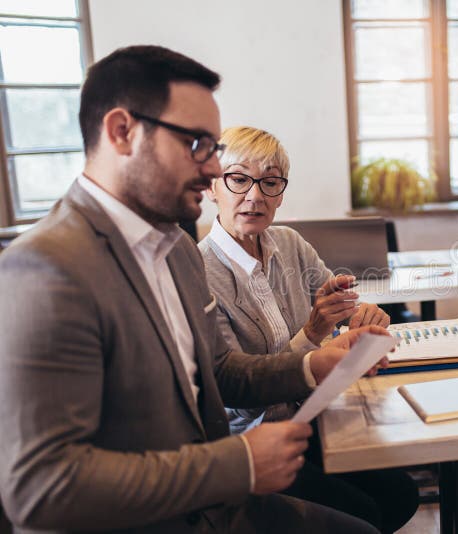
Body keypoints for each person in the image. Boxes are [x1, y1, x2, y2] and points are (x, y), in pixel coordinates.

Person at [0, 45, 386, 533]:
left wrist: (313, 364)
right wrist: (239, 464)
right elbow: (42, 489)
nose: (210, 170)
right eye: (197, 144)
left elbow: (220, 370)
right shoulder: (45, 268)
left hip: (211, 506)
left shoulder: (175, 247)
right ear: (122, 132)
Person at [198, 126, 417, 532]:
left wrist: (363, 313)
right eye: (239, 179)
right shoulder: (201, 272)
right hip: (256, 439)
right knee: (365, 513)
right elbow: (239, 397)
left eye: (270, 182)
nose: (255, 195)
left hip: (313, 416)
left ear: (281, 193)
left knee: (402, 495)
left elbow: (341, 302)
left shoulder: (289, 243)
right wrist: (312, 334)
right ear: (213, 187)